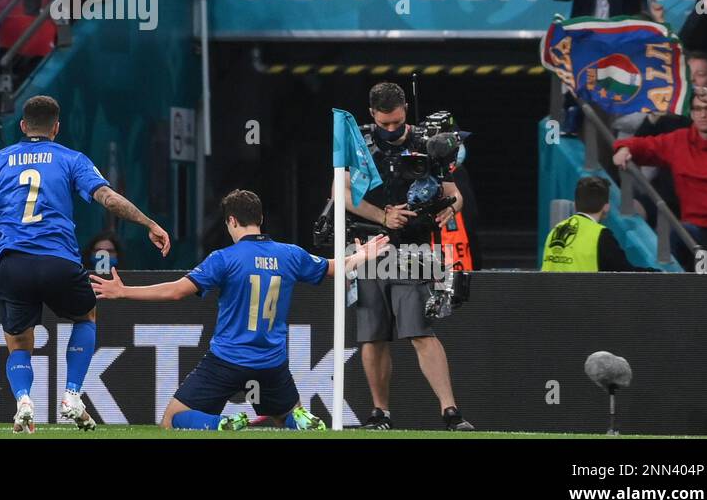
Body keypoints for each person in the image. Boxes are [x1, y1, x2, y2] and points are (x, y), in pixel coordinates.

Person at [92, 188, 387, 430]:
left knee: (171, 420)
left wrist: (123, 291)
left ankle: (221, 424)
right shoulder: (290, 255)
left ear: (231, 221)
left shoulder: (224, 258)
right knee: (286, 416)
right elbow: (335, 268)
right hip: (272, 362)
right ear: (261, 218)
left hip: (227, 360)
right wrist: (360, 255)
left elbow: (175, 291)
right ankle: (300, 420)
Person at [0, 94, 171, 432]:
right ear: (56, 128)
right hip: (57, 261)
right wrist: (148, 223)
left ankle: (23, 401)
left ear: (22, 126)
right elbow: (107, 198)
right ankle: (72, 394)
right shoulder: (71, 159)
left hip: (14, 265)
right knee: (85, 313)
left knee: (18, 342)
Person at [347, 82, 473, 431]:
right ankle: (379, 413)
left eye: (398, 122)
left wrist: (451, 208)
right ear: (372, 114)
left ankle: (451, 412)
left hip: (416, 246)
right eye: (385, 124)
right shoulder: (356, 143)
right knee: (371, 334)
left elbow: (453, 193)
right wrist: (382, 216)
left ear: (406, 110)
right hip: (367, 245)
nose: (392, 130)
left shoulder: (428, 142)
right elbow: (342, 194)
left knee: (420, 330)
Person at [614, 89, 707, 271]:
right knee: (672, 232)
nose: (703, 114)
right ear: (691, 113)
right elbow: (644, 146)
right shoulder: (679, 140)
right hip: (693, 228)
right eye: (697, 109)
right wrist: (624, 148)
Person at [541, 176, 652, 272]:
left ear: (575, 204)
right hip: (584, 296)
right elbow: (626, 273)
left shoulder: (555, 230)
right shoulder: (601, 235)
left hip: (552, 296)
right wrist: (657, 272)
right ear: (606, 206)